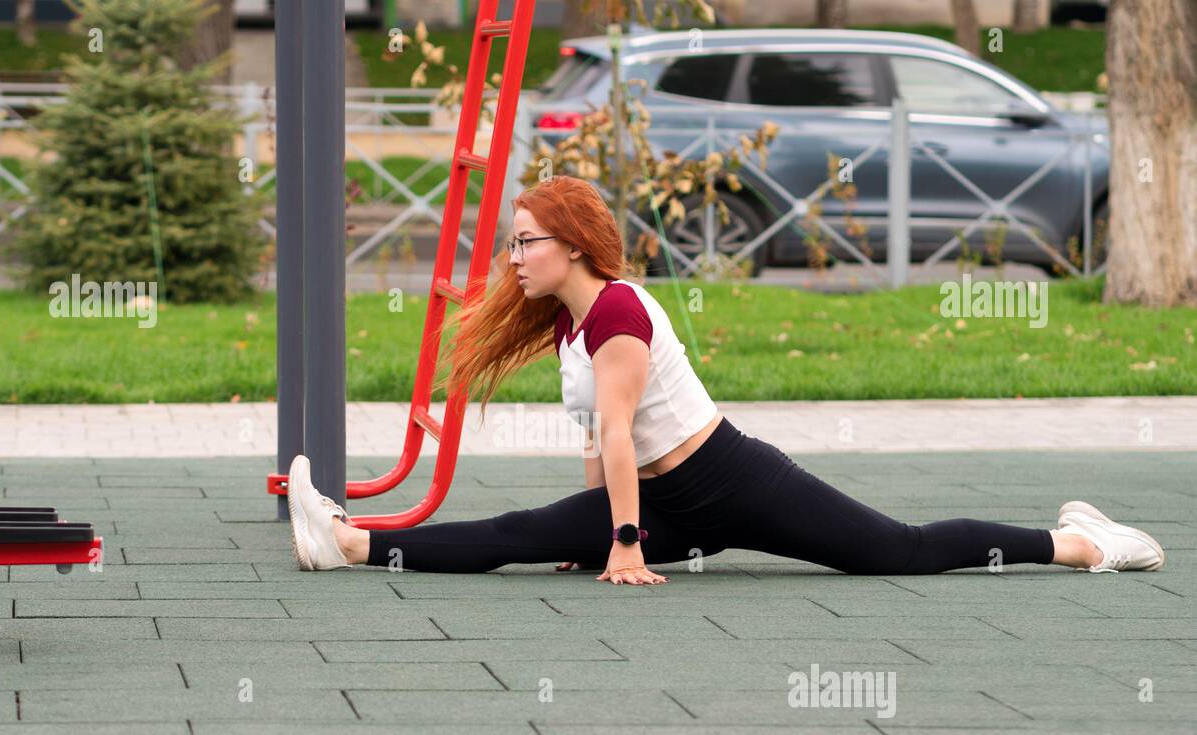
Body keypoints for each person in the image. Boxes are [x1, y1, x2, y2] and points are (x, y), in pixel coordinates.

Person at [287, 175, 1164, 585]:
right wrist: (595, 528)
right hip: (663, 500)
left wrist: (623, 544)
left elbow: (627, 430)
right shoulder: (568, 321)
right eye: (513, 240)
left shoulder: (621, 315)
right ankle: (351, 540)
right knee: (522, 534)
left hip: (733, 482)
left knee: (899, 552)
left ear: (574, 249)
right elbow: (600, 437)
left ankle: (1083, 542)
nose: (512, 256)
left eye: (525, 241)